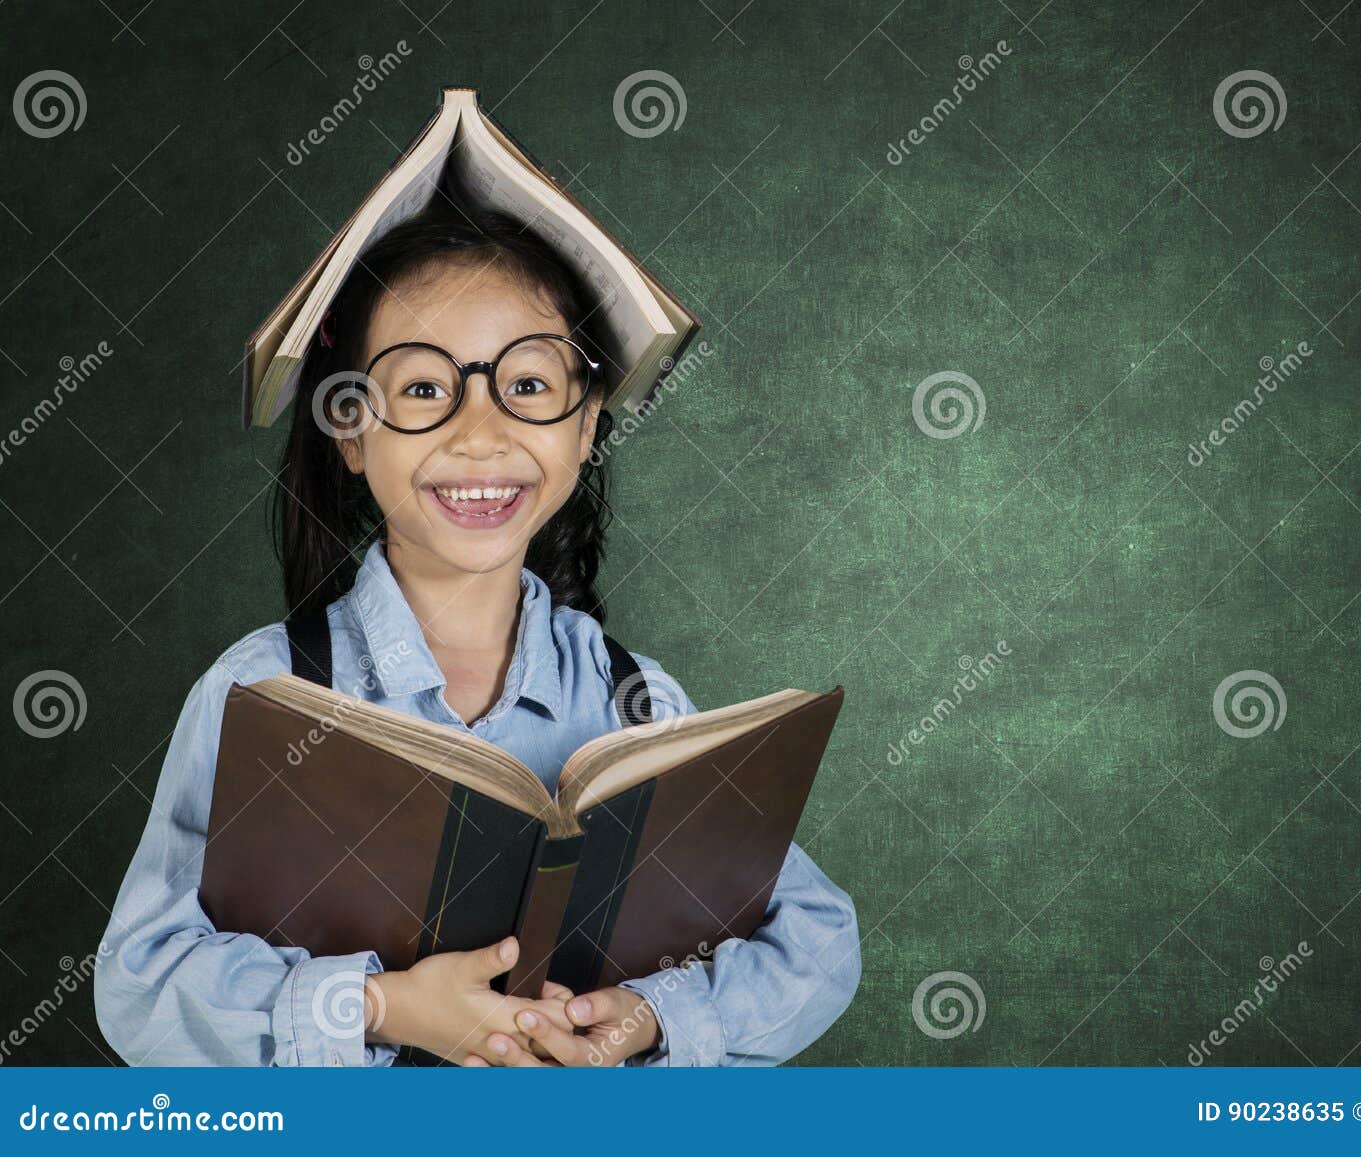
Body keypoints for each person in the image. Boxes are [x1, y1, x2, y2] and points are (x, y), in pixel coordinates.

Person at [93, 199, 861, 1067]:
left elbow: (818, 936)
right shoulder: (261, 692)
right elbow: (141, 983)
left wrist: (647, 1017)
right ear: (349, 427)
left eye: (528, 384)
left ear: (584, 421)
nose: (480, 432)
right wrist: (378, 1006)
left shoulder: (634, 701)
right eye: (424, 388)